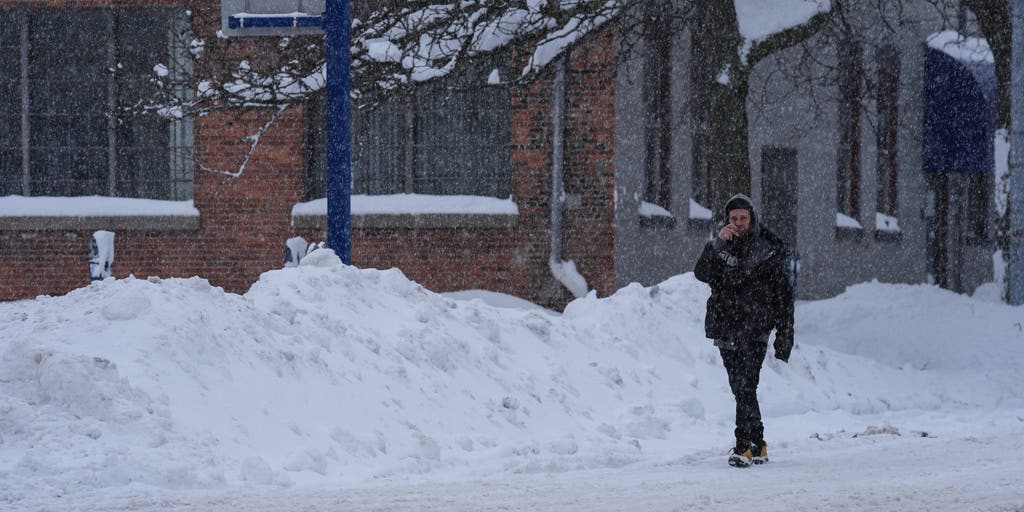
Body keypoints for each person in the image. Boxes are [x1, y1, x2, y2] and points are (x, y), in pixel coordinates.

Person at [694, 193, 794, 468]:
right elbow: (701, 273)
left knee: (746, 385)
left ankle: (743, 445)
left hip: (755, 327)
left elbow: (784, 297)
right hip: (726, 326)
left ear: (752, 219)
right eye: (733, 218)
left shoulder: (767, 251)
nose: (738, 223)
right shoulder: (721, 248)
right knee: (741, 388)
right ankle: (758, 441)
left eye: (743, 218)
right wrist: (716, 245)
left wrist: (785, 336)